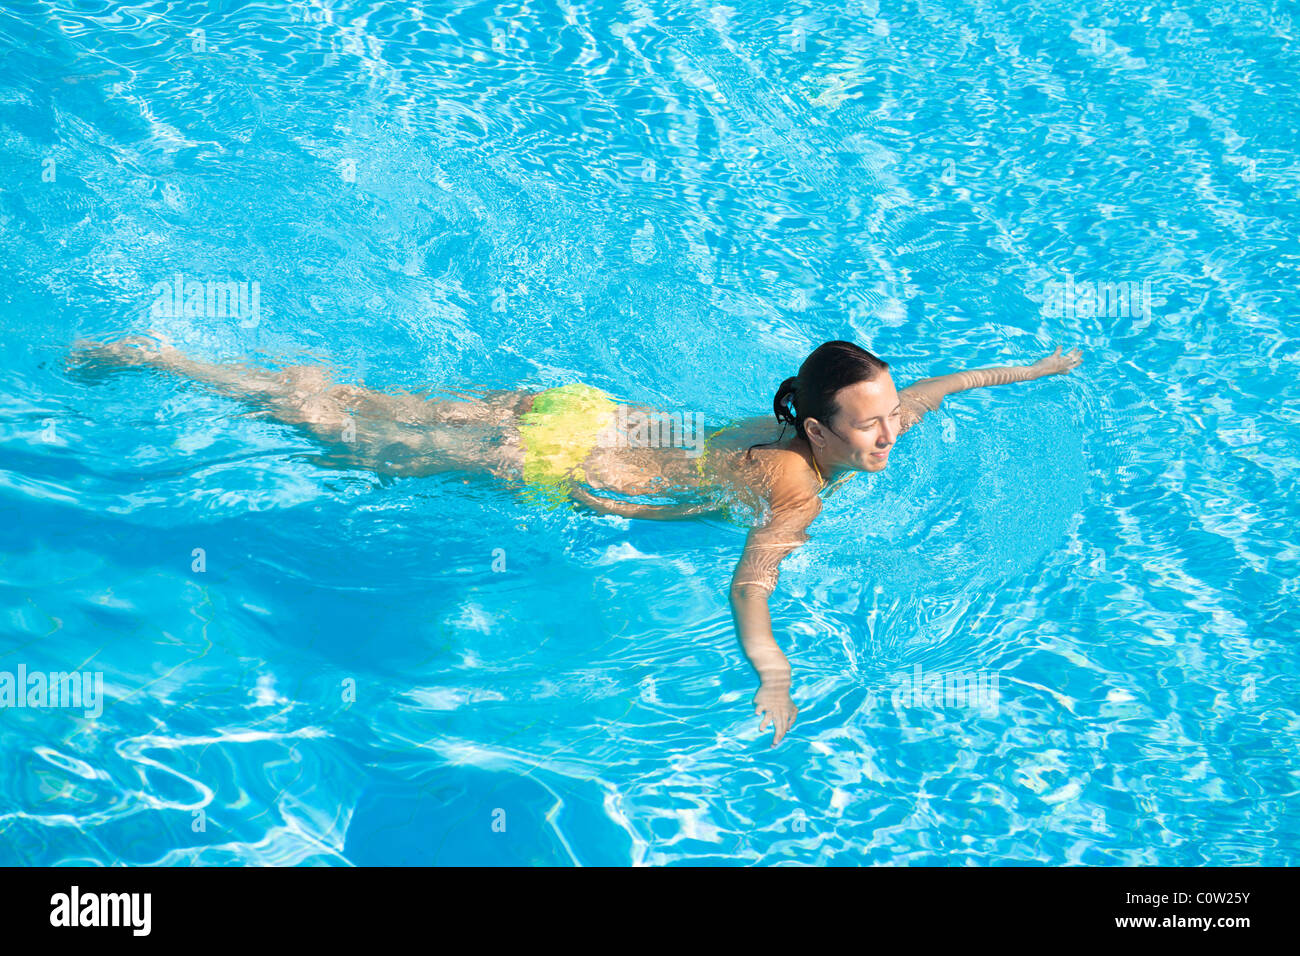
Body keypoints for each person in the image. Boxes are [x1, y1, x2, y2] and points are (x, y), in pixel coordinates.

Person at [67, 335, 1083, 745]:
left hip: (577, 412)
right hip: (553, 461)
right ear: (816, 429)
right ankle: (171, 365)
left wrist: (1025, 373)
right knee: (336, 441)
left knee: (363, 408)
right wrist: (770, 672)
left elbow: (932, 392)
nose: (890, 430)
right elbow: (749, 586)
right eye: (871, 423)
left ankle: (201, 359)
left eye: (891, 415)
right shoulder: (796, 486)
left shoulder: (807, 427)